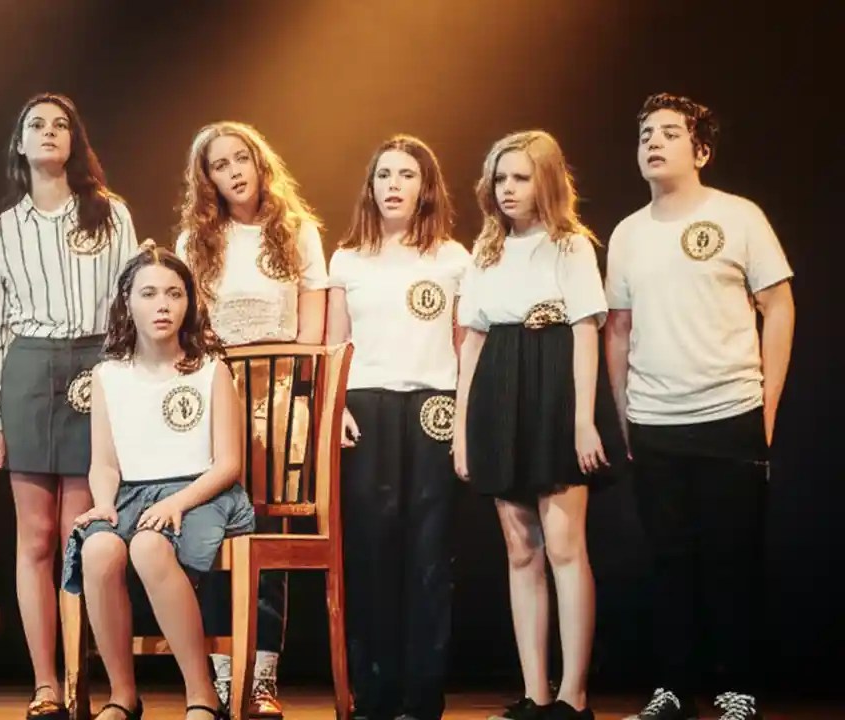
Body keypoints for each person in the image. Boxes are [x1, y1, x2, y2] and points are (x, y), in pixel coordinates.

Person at [610, 93, 793, 720]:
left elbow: (779, 305)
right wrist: (624, 410)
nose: (653, 144)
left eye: (668, 133)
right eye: (644, 135)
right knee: (667, 559)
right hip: (655, 419)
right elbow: (618, 328)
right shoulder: (627, 233)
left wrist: (766, 404)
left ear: (702, 150)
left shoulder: (739, 216)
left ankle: (737, 686)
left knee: (733, 557)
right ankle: (670, 688)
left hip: (730, 411)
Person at [453, 130, 626, 720]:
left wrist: (582, 420)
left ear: (545, 180)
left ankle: (573, 696)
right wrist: (460, 428)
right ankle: (535, 692)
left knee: (564, 546)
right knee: (520, 549)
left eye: (520, 177)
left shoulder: (570, 246)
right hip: (499, 389)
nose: (507, 189)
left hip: (555, 386)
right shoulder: (485, 252)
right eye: (500, 178)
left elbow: (585, 331)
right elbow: (472, 341)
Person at [0, 91, 139, 720]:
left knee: (85, 531)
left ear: (75, 140)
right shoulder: (0, 230)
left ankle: (83, 677)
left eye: (60, 124)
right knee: (36, 536)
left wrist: (123, 387)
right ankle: (47, 682)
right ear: (20, 144)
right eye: (36, 125)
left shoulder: (110, 213)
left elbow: (133, 304)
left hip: (96, 367)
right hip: (28, 370)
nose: (48, 133)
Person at [62, 242, 255, 720]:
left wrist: (179, 503)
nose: (163, 304)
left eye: (174, 293)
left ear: (190, 302)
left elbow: (229, 463)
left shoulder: (210, 370)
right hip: (132, 495)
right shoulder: (109, 376)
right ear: (128, 300)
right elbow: (104, 464)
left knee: (149, 546)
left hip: (203, 492)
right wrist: (105, 503)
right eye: (149, 293)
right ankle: (122, 695)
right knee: (98, 549)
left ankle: (201, 693)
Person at [174, 120, 328, 717]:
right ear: (206, 178)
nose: (235, 171)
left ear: (261, 163)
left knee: (267, 537)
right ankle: (219, 674)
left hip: (283, 396)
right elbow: (189, 330)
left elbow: (312, 330)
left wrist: (295, 402)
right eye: (221, 164)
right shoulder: (196, 241)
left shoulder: (298, 232)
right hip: (219, 397)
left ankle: (261, 677)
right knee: (214, 535)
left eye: (243, 158)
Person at [325, 134, 468, 720]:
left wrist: (463, 414)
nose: (393, 185)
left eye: (406, 174)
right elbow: (334, 343)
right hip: (365, 410)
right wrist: (338, 410)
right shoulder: (348, 259)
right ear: (371, 185)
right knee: (370, 552)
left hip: (434, 406)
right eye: (384, 174)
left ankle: (422, 693)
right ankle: (374, 693)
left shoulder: (455, 258)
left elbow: (464, 344)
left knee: (429, 555)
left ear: (425, 187)